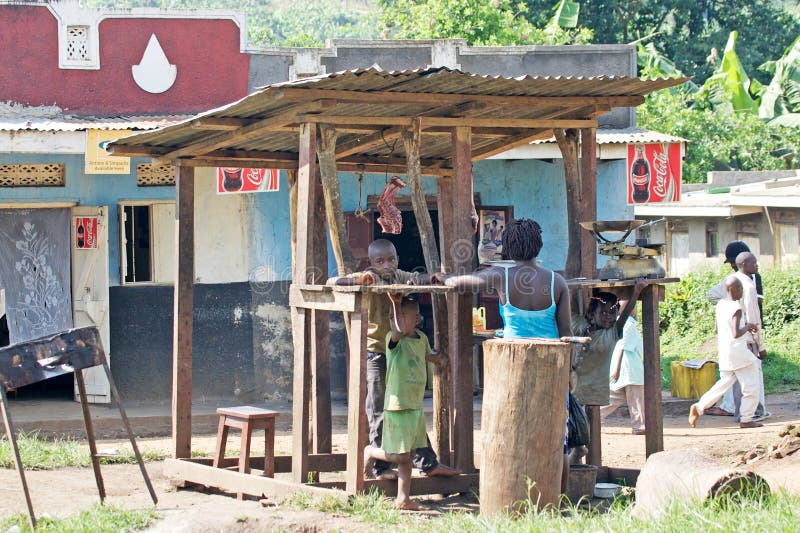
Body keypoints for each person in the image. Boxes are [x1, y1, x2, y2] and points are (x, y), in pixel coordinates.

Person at [437, 218, 572, 491]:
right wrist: (570, 373)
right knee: (555, 438)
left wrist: (444, 278)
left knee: (513, 433)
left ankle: (512, 490)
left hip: (513, 370)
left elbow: (465, 283)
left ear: (506, 248)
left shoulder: (501, 276)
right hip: (551, 369)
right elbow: (567, 335)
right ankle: (558, 496)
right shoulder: (558, 282)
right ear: (539, 246)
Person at [328, 239, 458, 479]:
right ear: (371, 262)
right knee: (378, 409)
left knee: (409, 408)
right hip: (377, 352)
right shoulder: (368, 275)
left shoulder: (399, 274)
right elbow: (332, 281)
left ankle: (427, 462)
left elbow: (416, 279)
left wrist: (433, 278)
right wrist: (359, 280)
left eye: (391, 259)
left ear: (397, 259)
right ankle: (381, 467)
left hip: (399, 352)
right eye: (380, 261)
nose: (387, 265)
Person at [363, 295, 440, 509]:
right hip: (397, 405)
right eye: (390, 316)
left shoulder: (422, 338)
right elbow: (397, 330)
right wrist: (395, 304)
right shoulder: (393, 339)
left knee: (410, 453)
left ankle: (403, 499)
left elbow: (427, 356)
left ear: (416, 319)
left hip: (414, 404)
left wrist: (441, 358)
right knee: (401, 455)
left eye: (398, 316)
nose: (392, 320)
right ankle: (371, 452)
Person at [570, 280, 646, 462]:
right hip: (573, 385)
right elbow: (570, 308)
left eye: (613, 313)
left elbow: (626, 313)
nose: (608, 317)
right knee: (573, 424)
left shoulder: (613, 332)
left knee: (582, 424)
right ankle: (576, 454)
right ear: (591, 313)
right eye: (603, 313)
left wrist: (636, 292)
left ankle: (578, 453)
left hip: (594, 388)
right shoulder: (579, 325)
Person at [689, 276, 764, 429]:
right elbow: (736, 333)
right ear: (733, 289)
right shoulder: (736, 308)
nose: (742, 291)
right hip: (739, 352)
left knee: (724, 384)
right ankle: (747, 418)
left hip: (725, 351)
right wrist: (749, 326)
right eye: (740, 288)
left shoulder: (721, 305)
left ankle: (699, 406)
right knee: (752, 385)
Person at [706, 241, 767, 420]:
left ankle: (741, 410)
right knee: (746, 375)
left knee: (738, 376)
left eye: (732, 262)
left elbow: (755, 311)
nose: (731, 265)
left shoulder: (748, 283)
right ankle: (745, 411)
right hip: (742, 334)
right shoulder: (738, 284)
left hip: (744, 334)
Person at [599, 299, 645, 435]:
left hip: (623, 368)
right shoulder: (628, 324)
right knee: (636, 399)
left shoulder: (616, 322)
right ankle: (639, 426)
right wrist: (616, 369)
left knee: (614, 397)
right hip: (630, 369)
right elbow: (621, 346)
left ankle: (594, 417)